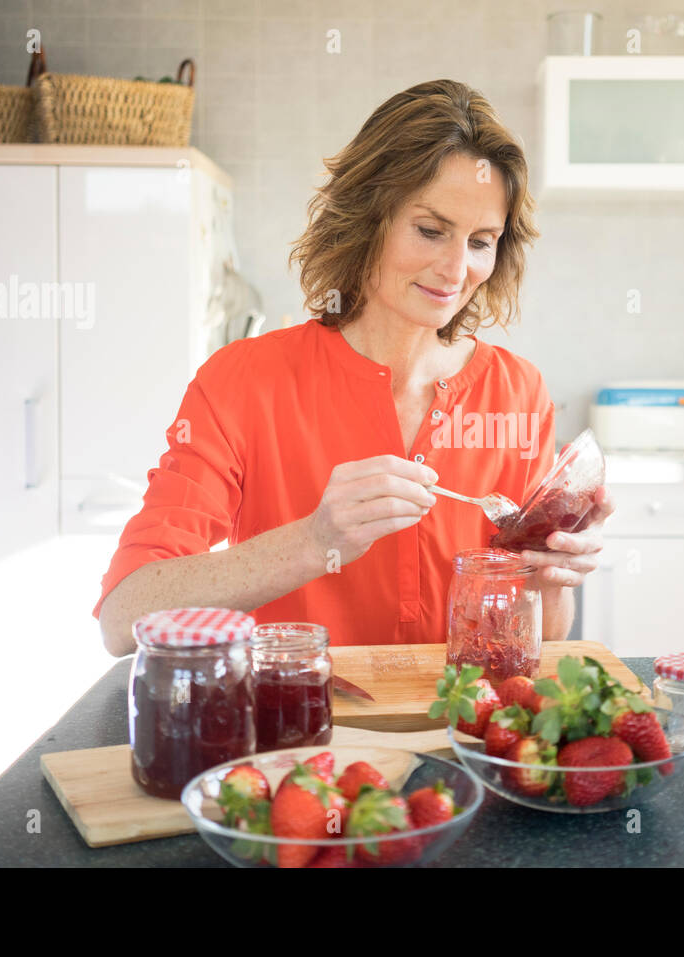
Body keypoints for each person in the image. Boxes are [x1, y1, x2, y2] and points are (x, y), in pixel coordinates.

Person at [94, 79, 614, 656]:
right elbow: (124, 615)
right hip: (299, 731)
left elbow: (546, 636)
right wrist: (314, 542)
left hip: (466, 735)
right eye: (431, 230)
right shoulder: (241, 382)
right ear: (368, 219)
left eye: (481, 241)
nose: (455, 268)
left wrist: (548, 578)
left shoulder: (517, 391)